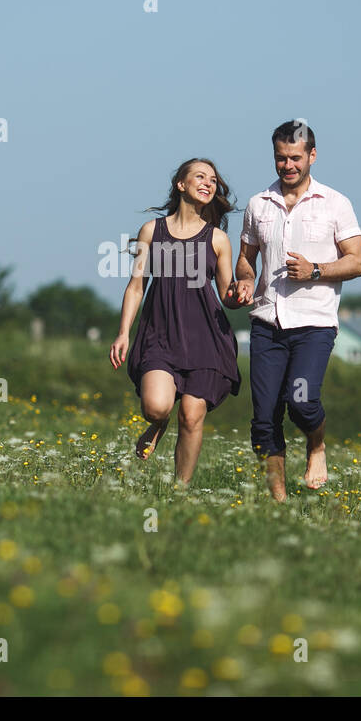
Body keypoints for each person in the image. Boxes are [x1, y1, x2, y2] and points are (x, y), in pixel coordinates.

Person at [232, 121, 361, 502]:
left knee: (302, 400)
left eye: (295, 157)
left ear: (312, 156)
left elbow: (357, 262)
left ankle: (317, 445)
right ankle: (279, 503)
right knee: (264, 417)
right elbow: (246, 259)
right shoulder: (259, 204)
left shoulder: (336, 203)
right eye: (280, 158)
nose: (287, 165)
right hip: (266, 322)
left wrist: (316, 271)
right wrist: (243, 279)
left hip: (313, 325)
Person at [110, 158, 247, 486]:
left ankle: (179, 491)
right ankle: (158, 425)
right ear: (180, 184)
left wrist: (239, 293)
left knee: (191, 414)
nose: (208, 183)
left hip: (206, 339)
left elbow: (226, 293)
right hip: (160, 334)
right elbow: (136, 286)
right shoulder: (151, 231)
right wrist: (123, 333)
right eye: (200, 177)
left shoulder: (218, 239)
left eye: (213, 180)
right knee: (156, 407)